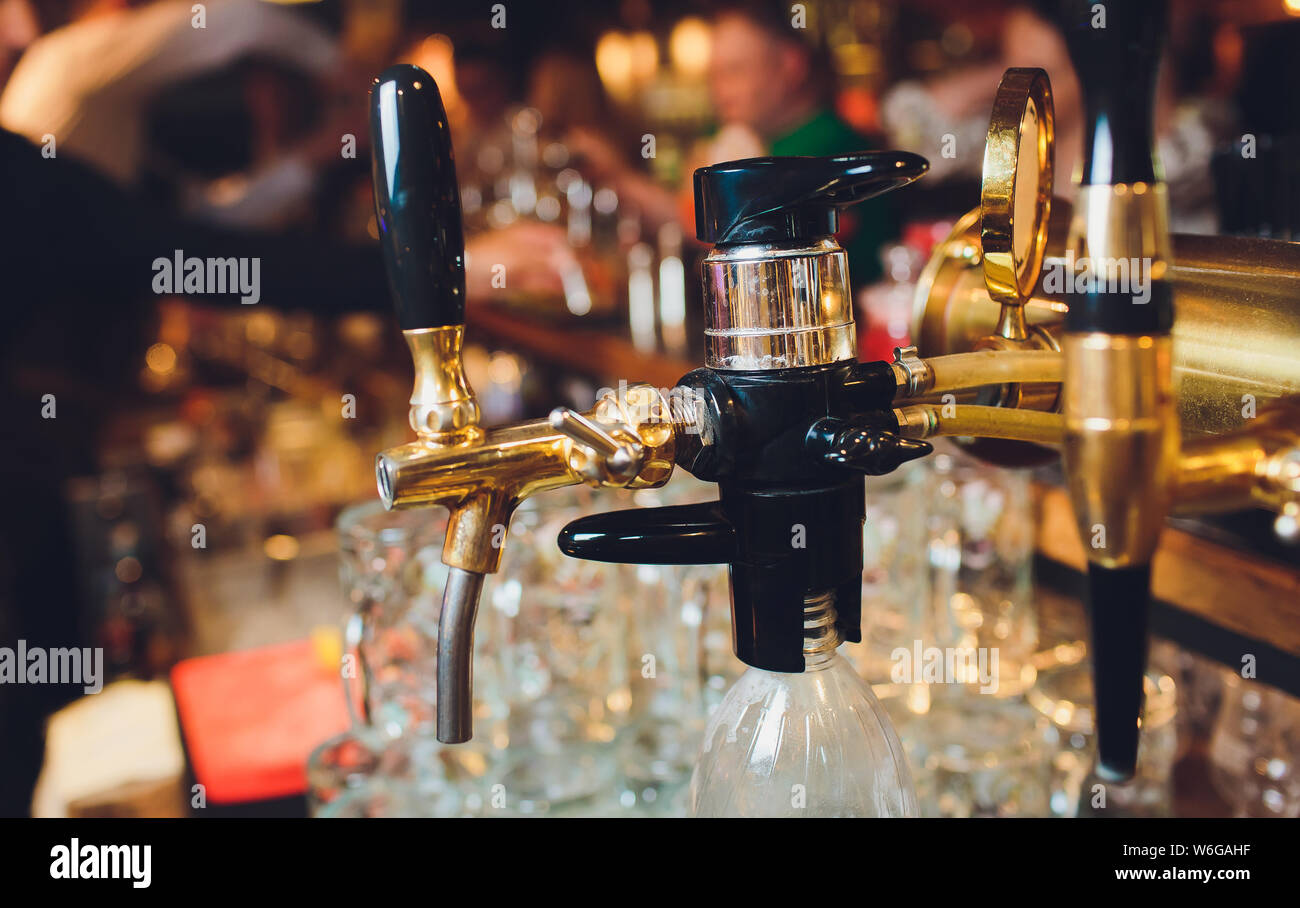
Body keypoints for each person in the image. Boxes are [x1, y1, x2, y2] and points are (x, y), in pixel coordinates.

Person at [0, 0, 574, 815]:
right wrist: (429, 278)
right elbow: (177, 252)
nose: (22, 35)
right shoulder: (64, 87)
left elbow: (193, 234)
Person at [568, 2, 898, 284]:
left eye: (735, 71)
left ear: (790, 65)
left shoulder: (831, 144)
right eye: (714, 76)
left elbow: (700, 223)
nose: (720, 91)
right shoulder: (728, 134)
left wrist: (618, 174)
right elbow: (684, 209)